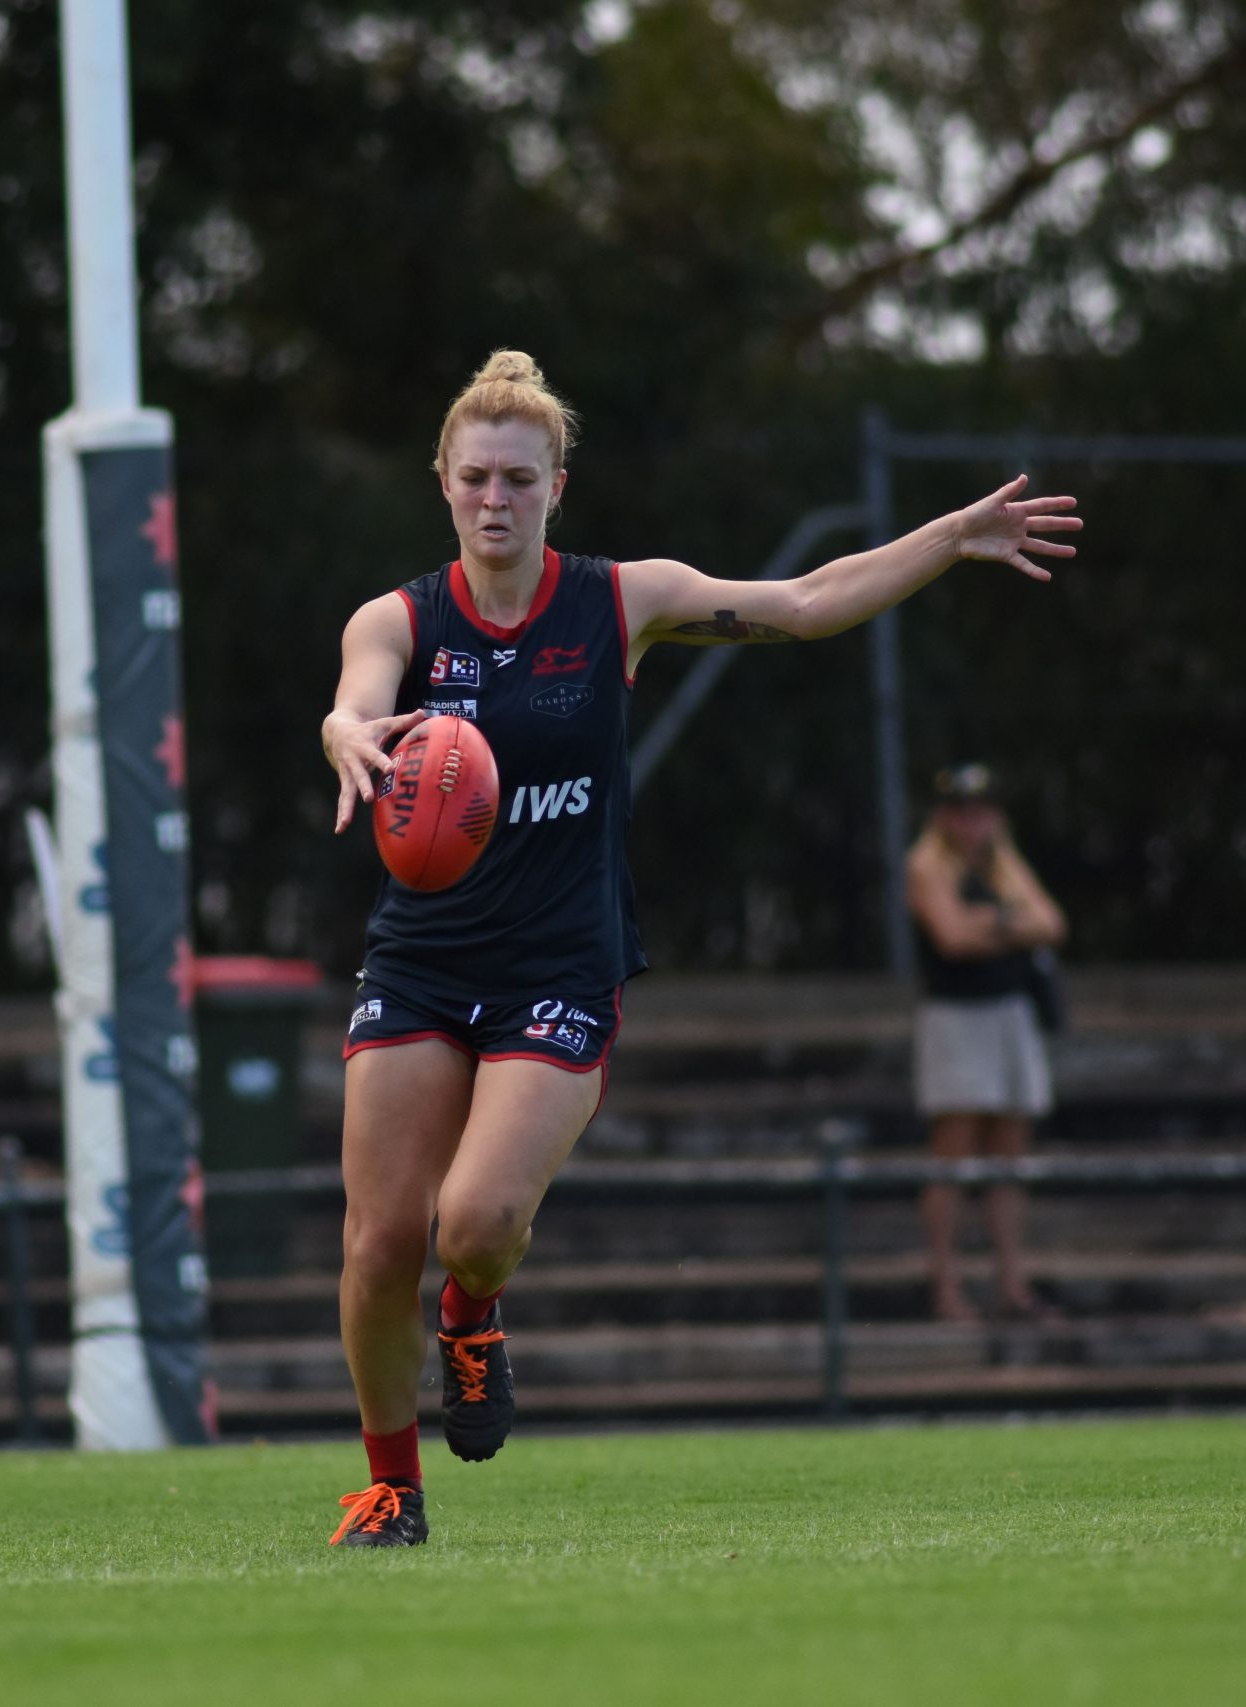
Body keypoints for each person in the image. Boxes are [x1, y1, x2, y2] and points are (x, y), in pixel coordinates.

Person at [315, 351, 1081, 1544]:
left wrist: (946, 537)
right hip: (421, 962)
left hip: (557, 969)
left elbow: (807, 602)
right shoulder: (399, 620)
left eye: (519, 478)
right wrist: (345, 733)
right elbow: (357, 699)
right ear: (444, 483)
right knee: (375, 1246)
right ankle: (390, 1489)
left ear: (557, 486)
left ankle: (470, 1316)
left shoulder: (621, 601)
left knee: (472, 1226)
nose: (495, 498)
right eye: (474, 478)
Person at [906, 763, 1068, 1324]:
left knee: (1009, 1160)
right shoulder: (927, 865)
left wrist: (988, 922)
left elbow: (1052, 923)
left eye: (981, 812)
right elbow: (950, 937)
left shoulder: (1004, 864)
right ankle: (946, 1290)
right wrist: (1007, 924)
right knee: (952, 1158)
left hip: (1009, 1019)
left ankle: (1011, 1286)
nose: (972, 823)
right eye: (961, 812)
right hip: (958, 1021)